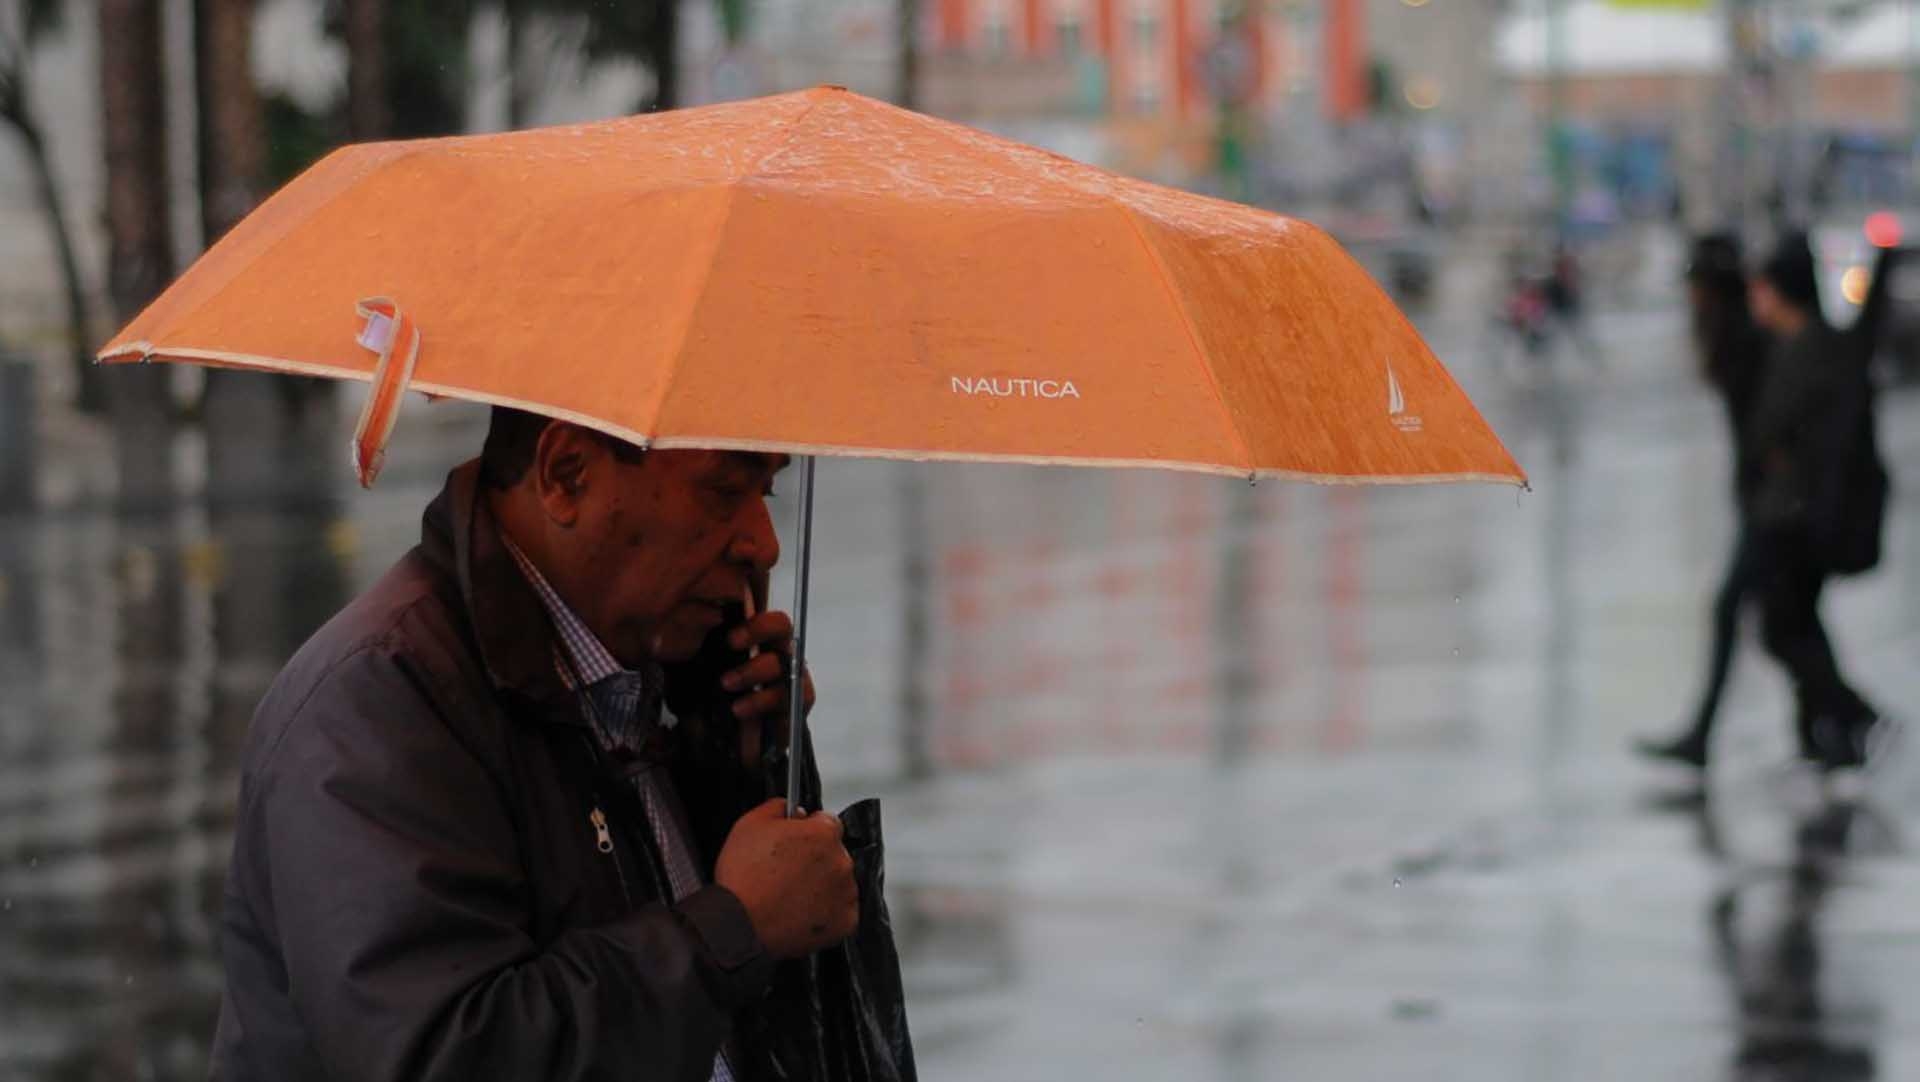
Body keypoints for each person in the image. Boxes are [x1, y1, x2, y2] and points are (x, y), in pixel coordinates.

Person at [209, 407, 912, 1081]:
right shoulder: (375, 706)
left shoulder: (655, 671)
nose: (763, 541)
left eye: (765, 491)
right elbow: (443, 1057)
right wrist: (730, 932)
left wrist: (740, 763)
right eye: (724, 490)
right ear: (567, 472)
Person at [1740, 233, 1887, 770]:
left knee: (1786, 629)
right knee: (1798, 626)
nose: (1754, 298)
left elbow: (1785, 435)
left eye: (1761, 288)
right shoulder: (1794, 346)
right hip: (1795, 512)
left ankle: (1855, 716)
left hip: (1801, 518)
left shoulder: (1813, 351)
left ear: (1781, 292)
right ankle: (1828, 737)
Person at [1637, 232, 1773, 769]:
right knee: (1786, 623)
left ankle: (1849, 720)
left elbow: (1767, 427)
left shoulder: (1741, 340)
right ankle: (1837, 725)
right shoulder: (1733, 336)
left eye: (1695, 285)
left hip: (1774, 505)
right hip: (1763, 500)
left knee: (1744, 614)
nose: (1689, 296)